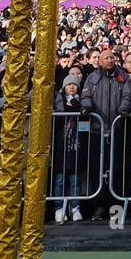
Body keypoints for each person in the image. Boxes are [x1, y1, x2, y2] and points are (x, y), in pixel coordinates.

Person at [79, 48, 131, 220]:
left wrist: (123, 109)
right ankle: (99, 206)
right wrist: (86, 107)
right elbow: (86, 95)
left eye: (112, 57)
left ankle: (115, 208)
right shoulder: (92, 78)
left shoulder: (123, 76)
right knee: (97, 169)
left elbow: (127, 96)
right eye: (107, 58)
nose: (110, 60)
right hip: (97, 129)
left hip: (117, 129)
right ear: (100, 61)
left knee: (116, 169)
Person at [52, 74, 86, 223]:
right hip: (61, 145)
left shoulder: (81, 101)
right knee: (59, 179)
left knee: (75, 179)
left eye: (74, 84)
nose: (71, 86)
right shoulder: (59, 101)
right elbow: (58, 118)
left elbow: (84, 115)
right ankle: (59, 208)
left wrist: (74, 102)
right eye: (68, 84)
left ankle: (75, 207)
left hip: (76, 145)